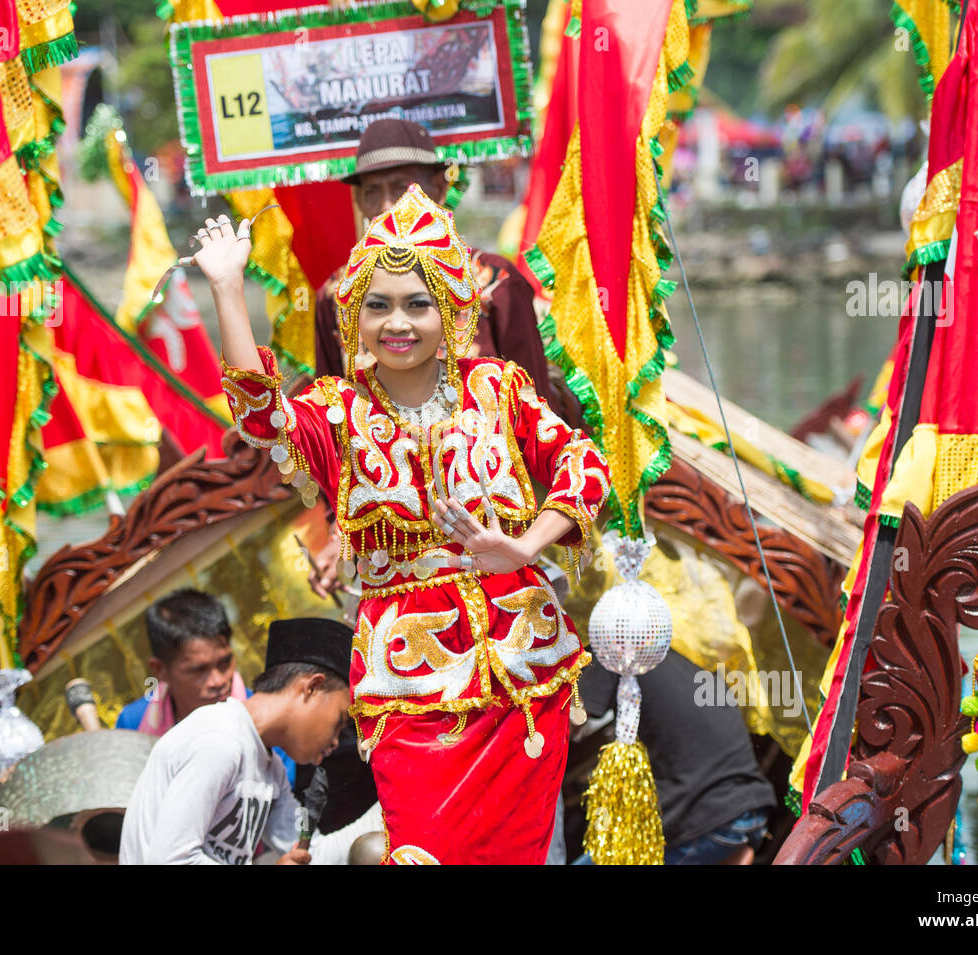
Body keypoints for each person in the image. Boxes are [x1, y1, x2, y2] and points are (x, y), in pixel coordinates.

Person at [199, 185, 610, 864]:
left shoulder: (496, 388)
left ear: (449, 310)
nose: (399, 322)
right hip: (410, 686)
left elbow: (583, 463)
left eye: (418, 303)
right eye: (379, 304)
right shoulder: (337, 413)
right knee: (422, 851)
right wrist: (227, 288)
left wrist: (526, 544)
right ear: (354, 317)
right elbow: (260, 416)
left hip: (520, 677)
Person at [314, 118, 554, 406]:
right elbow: (330, 411)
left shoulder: (495, 282)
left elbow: (534, 405)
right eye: (372, 192)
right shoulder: (338, 294)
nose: (388, 206)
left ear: (440, 188)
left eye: (401, 188)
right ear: (359, 202)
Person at [119, 617, 377, 865]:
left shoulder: (271, 768)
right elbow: (169, 860)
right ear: (312, 688)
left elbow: (315, 857)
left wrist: (399, 804)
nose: (335, 741)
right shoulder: (220, 739)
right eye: (340, 721)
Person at [578, 649, 778, 864]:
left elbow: (568, 720)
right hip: (749, 813)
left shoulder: (609, 652)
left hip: (710, 819)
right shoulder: (687, 660)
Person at [115, 588, 245, 735]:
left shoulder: (265, 717)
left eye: (225, 662)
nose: (219, 681)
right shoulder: (133, 725)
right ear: (159, 670)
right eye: (198, 670)